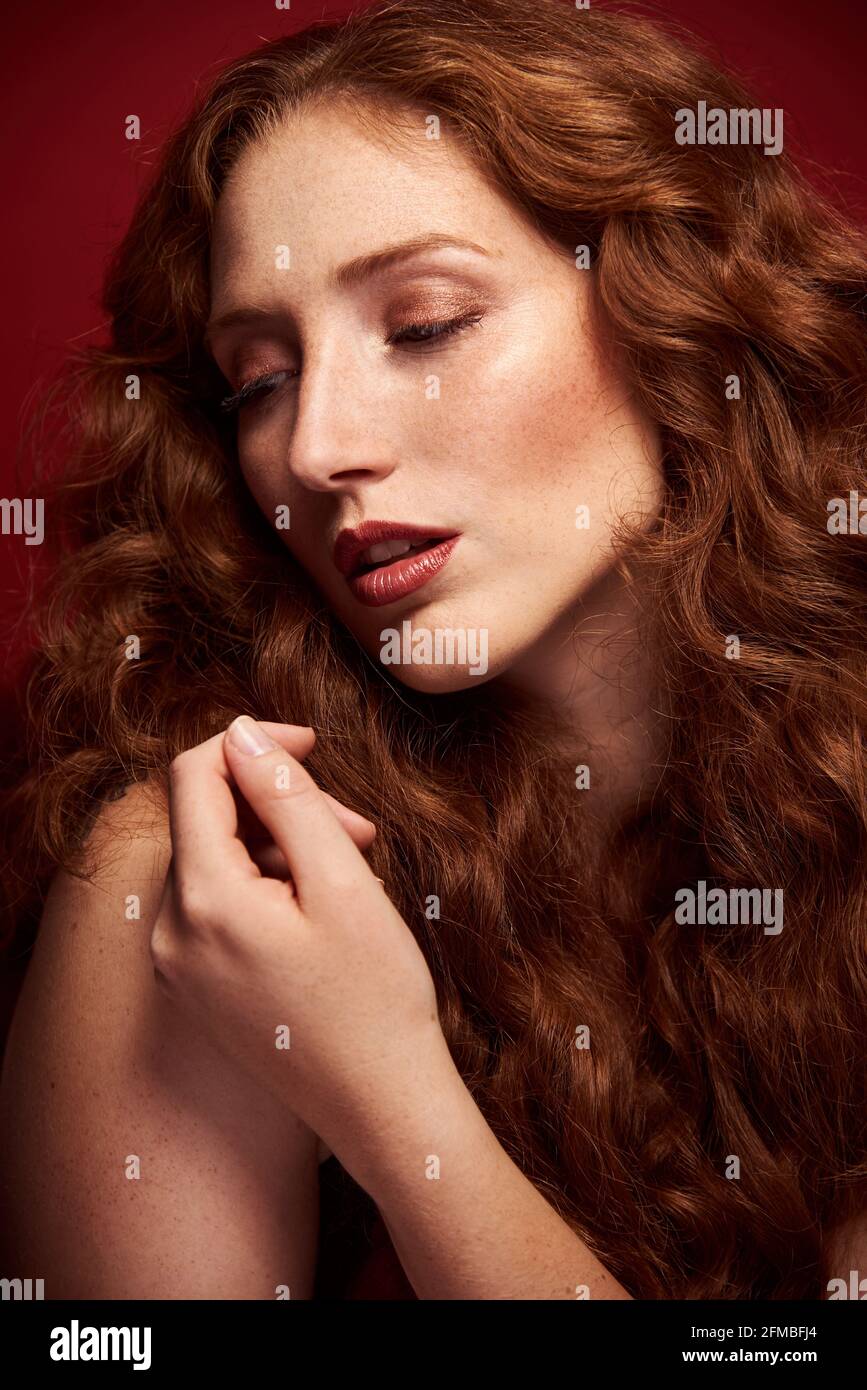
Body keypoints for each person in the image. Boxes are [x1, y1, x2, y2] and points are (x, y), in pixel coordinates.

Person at [1, 0, 865, 1300]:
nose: (314, 447)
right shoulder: (214, 892)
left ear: (670, 306)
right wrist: (385, 1085)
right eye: (261, 379)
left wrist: (392, 1093)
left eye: (423, 325)